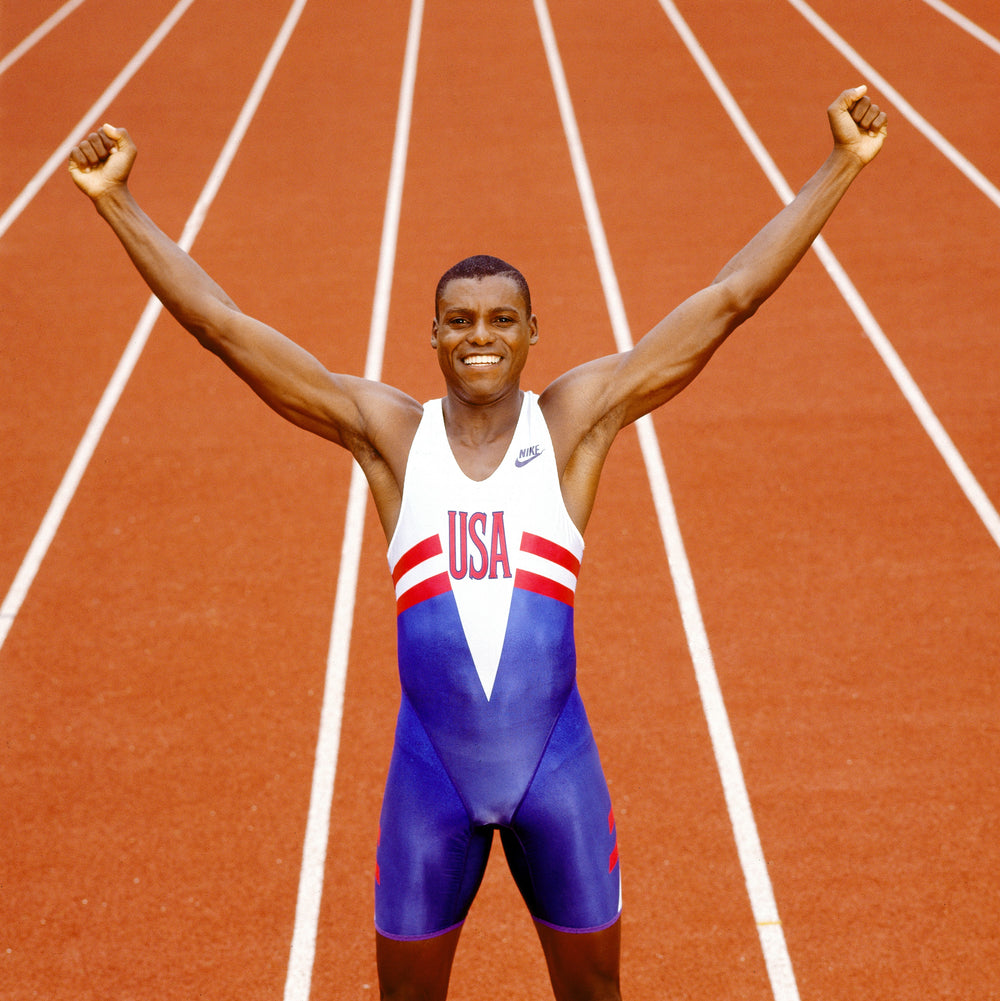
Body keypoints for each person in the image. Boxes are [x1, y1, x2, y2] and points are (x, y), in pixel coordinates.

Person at [69, 86, 887, 1000]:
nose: (480, 336)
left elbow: (729, 300)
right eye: (460, 320)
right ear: (431, 335)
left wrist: (838, 166)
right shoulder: (390, 435)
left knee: (595, 994)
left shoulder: (577, 420)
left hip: (556, 767)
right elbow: (222, 328)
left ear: (535, 333)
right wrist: (117, 202)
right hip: (431, 776)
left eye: (502, 319)